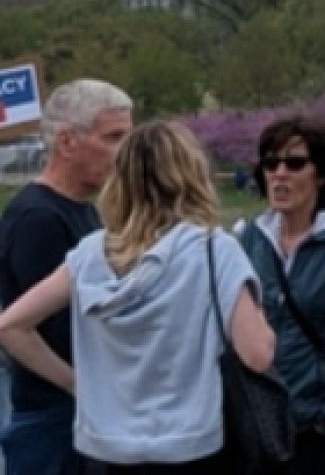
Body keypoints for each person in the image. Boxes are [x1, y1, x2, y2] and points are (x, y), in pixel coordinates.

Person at [0, 120, 276, 473]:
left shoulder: (89, 255)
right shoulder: (213, 250)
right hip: (190, 445)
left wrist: (78, 385)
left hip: (106, 447)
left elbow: (10, 327)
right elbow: (256, 354)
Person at [0, 78, 133, 475]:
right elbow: (27, 328)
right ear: (67, 142)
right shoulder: (39, 218)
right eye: (113, 137)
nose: (126, 152)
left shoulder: (84, 211)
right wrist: (80, 386)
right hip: (54, 419)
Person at [237, 115, 325, 475]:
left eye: (295, 163)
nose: (280, 174)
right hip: (261, 429)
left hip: (321, 432)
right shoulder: (249, 241)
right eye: (270, 164)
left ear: (321, 174)